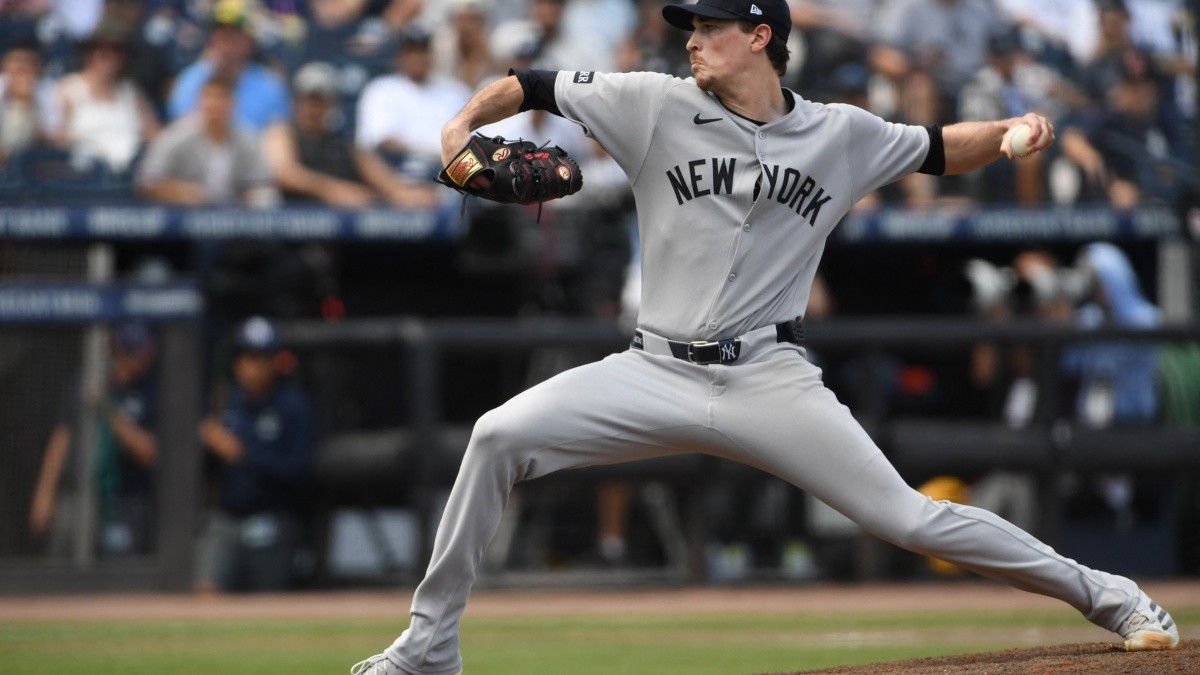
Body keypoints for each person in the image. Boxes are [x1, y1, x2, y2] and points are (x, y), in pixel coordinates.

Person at [351, 1, 1178, 673]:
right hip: (653, 368)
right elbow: (530, 82)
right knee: (496, 435)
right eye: (691, 26)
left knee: (913, 518)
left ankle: (1111, 594)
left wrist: (1002, 136)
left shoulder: (839, 133)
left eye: (710, 27)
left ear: (759, 38)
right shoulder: (652, 101)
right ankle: (430, 645)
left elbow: (931, 149)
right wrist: (462, 123)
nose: (693, 39)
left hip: (769, 377)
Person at [194, 316, 316, 593]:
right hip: (228, 519)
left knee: (269, 599)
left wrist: (244, 455)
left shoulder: (293, 406)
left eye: (263, 357)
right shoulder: (223, 401)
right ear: (236, 361)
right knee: (206, 589)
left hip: (275, 518)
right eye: (249, 356)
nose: (255, 366)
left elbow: (300, 470)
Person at [28, 322, 160, 556]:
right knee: (60, 568)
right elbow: (62, 436)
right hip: (75, 492)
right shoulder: (89, 378)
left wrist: (106, 409)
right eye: (126, 349)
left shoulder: (152, 390)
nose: (132, 357)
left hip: (124, 501)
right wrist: (45, 492)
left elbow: (148, 452)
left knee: (119, 577)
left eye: (140, 350)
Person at [264, 61, 439, 208]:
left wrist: (404, 194)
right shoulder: (282, 132)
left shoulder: (344, 143)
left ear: (331, 104)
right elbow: (284, 173)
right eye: (305, 100)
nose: (311, 109)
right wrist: (331, 190)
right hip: (293, 227)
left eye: (318, 101)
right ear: (294, 102)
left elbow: (387, 183)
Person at [137, 74, 278, 207]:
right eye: (209, 98)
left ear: (233, 103)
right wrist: (179, 192)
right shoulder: (177, 137)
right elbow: (147, 180)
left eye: (221, 98)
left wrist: (256, 202)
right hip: (182, 220)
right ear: (199, 102)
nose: (215, 104)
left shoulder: (247, 137)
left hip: (235, 220)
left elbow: (262, 183)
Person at [356, 25, 472, 181]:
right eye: (411, 51)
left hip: (448, 174)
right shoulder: (380, 89)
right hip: (399, 173)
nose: (418, 57)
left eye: (423, 50)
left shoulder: (456, 91)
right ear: (400, 56)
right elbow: (378, 144)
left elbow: (468, 142)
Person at [52, 20, 160, 173]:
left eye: (116, 49)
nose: (108, 54)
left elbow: (156, 138)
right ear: (88, 52)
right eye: (100, 48)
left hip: (131, 177)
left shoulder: (132, 91)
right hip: (82, 177)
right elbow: (55, 141)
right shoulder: (67, 89)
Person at [166, 0, 290, 134]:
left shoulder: (270, 87)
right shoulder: (189, 83)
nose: (225, 43)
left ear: (249, 41)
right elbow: (178, 137)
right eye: (220, 34)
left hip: (255, 153)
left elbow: (279, 140)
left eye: (234, 35)